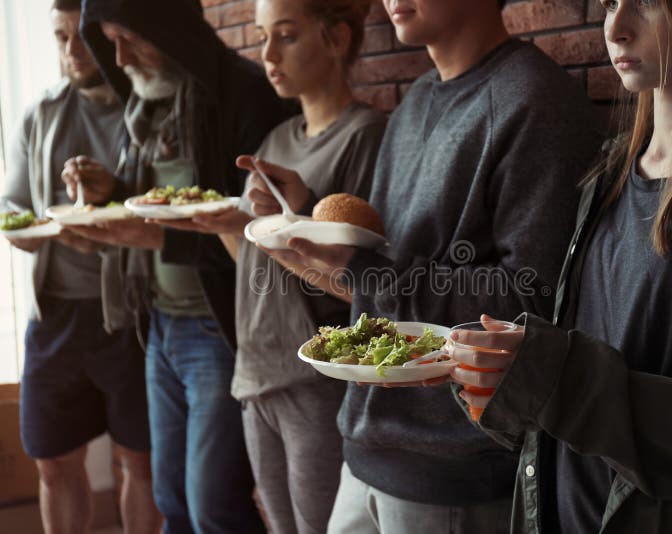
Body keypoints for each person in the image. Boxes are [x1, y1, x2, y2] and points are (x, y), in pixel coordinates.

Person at [246, 0, 603, 531]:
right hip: (367, 447)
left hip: (454, 468)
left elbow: (531, 302)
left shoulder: (535, 99)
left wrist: (361, 267)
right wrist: (311, 220)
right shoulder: (417, 100)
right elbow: (392, 266)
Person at [449, 0, 672, 532]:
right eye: (611, 1)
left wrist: (558, 381)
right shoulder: (608, 176)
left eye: (649, 3)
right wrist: (506, 382)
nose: (615, 27)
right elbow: (586, 385)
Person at [70, 0, 295, 531]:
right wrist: (113, 192)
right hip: (160, 325)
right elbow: (163, 202)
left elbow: (261, 229)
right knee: (169, 497)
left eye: (129, 37)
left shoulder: (242, 93)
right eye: (109, 40)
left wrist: (151, 238)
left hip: (218, 330)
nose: (118, 56)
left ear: (166, 28)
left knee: (213, 504)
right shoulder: (144, 104)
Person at [182, 1, 385, 531]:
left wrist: (302, 210)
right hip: (255, 371)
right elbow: (259, 264)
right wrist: (226, 226)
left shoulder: (365, 134)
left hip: (314, 376)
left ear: (337, 40)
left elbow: (361, 274)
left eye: (286, 36)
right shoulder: (275, 140)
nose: (267, 54)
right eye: (262, 36)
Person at [0, 1, 160, 533]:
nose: (71, 51)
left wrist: (108, 223)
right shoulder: (40, 112)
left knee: (139, 462)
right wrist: (31, 231)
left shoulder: (146, 108)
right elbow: (12, 206)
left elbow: (171, 214)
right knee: (51, 461)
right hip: (54, 317)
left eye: (81, 36)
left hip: (132, 315)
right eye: (60, 38)